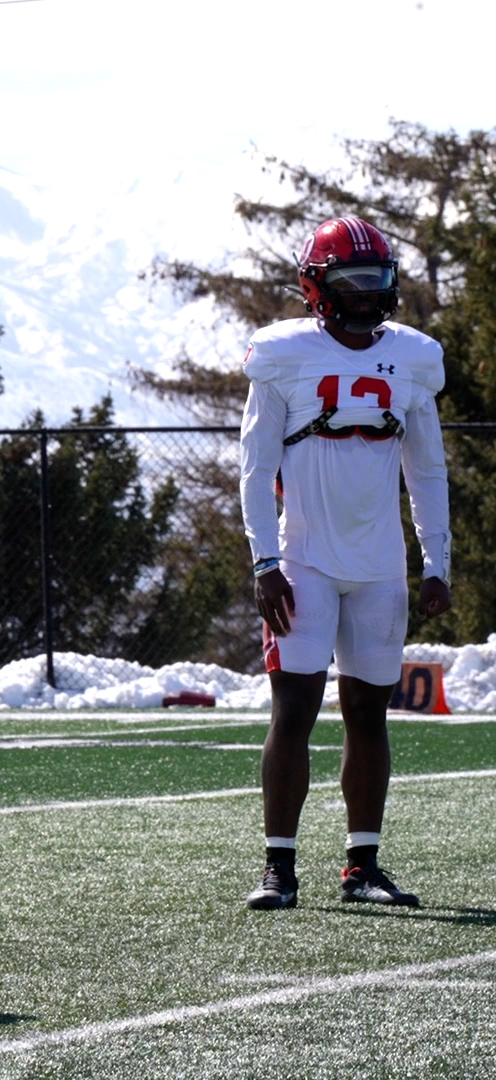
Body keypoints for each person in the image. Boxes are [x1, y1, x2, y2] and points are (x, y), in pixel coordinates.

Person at [239, 216, 451, 911]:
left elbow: (427, 470)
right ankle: (279, 866)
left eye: (377, 281)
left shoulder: (415, 359)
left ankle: (362, 865)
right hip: (303, 559)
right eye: (351, 283)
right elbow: (255, 465)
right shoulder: (283, 356)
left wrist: (435, 562)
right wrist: (265, 559)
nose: (366, 296)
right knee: (293, 707)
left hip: (379, 563)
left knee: (369, 711)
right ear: (316, 288)